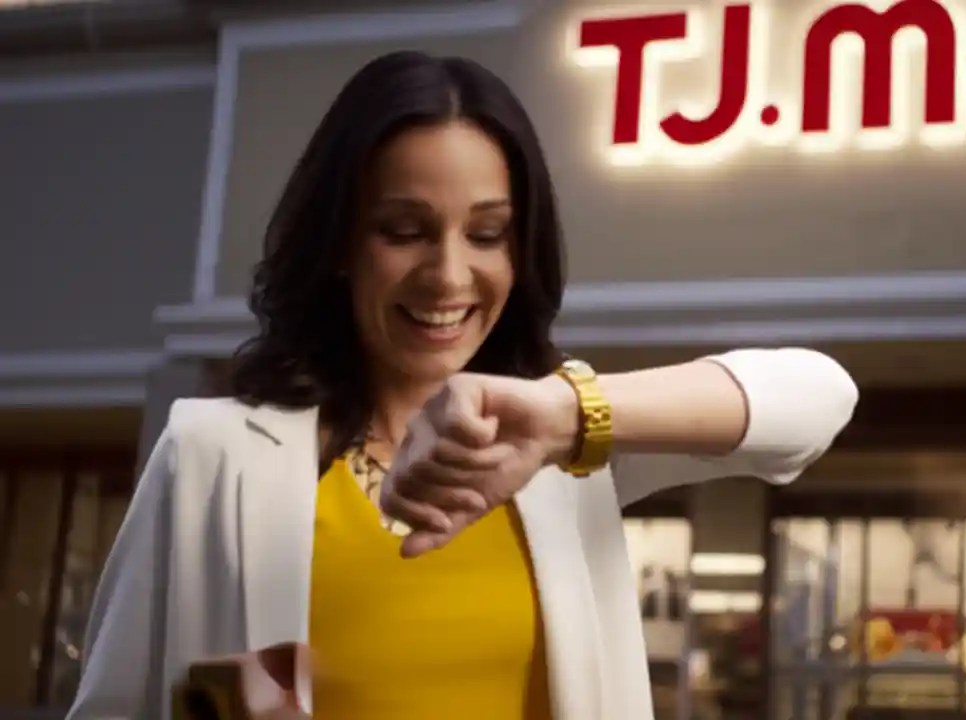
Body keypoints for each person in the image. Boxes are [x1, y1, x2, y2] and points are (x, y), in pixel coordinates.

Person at [66, 51, 858, 720]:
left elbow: (818, 398)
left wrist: (563, 412)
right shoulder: (217, 456)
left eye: (487, 234)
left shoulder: (554, 452)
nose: (449, 275)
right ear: (339, 242)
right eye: (404, 230)